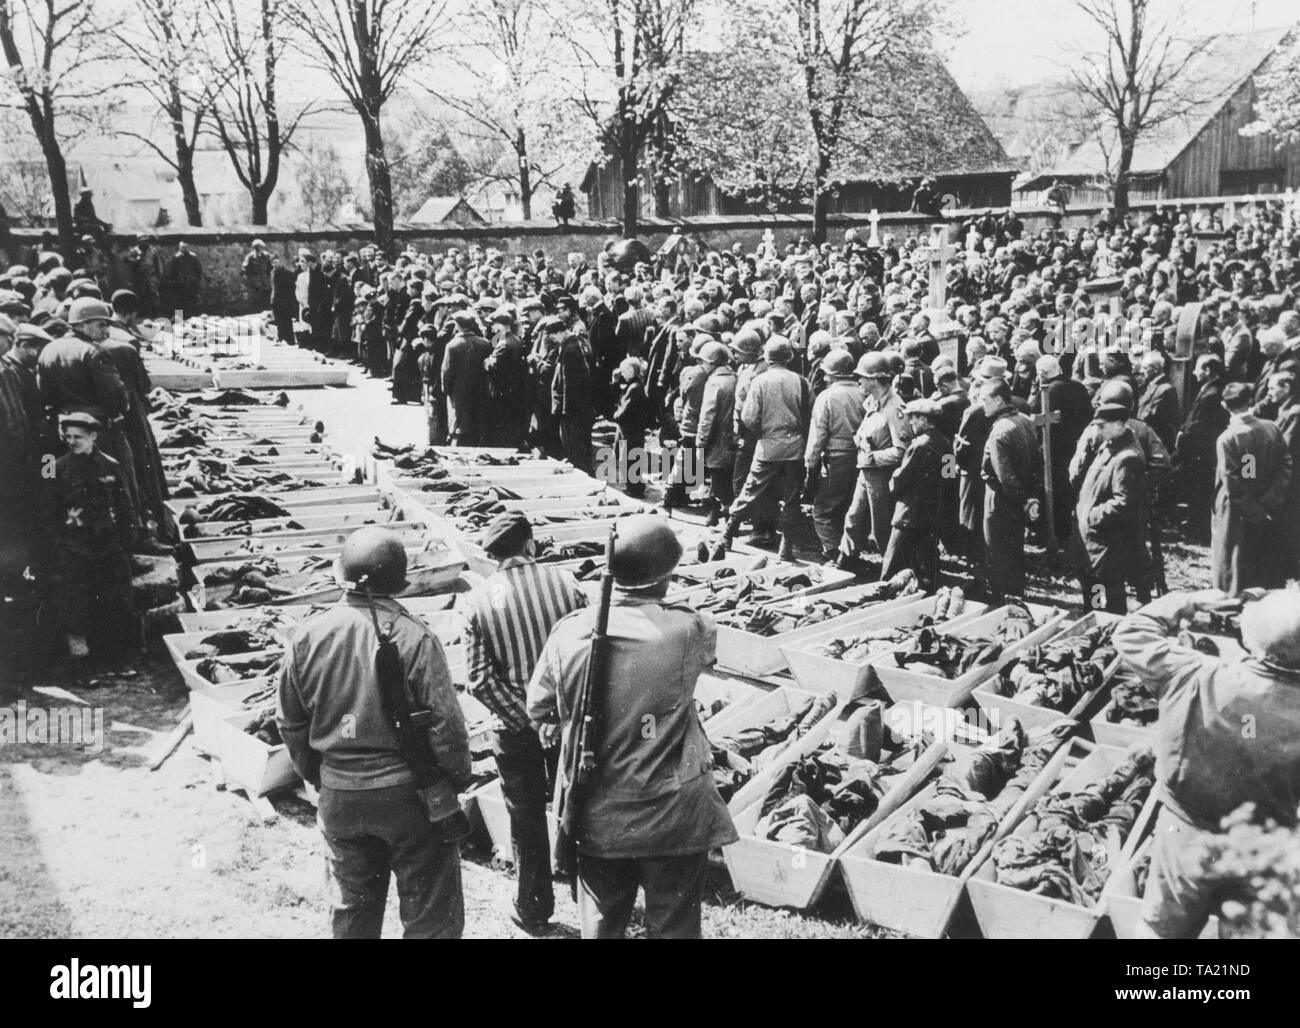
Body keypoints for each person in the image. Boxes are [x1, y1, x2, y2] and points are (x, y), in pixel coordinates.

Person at [526, 516, 738, 939]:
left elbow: (538, 706)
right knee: (674, 926)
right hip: (673, 813)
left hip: (596, 812)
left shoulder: (569, 632)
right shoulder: (689, 628)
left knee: (601, 926)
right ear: (666, 575)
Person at [275, 527, 471, 939]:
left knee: (351, 916)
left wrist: (320, 774)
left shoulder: (307, 636)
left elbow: (290, 722)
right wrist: (452, 781)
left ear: (340, 575)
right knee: (430, 918)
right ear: (397, 582)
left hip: (341, 796)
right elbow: (446, 726)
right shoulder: (414, 636)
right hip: (411, 797)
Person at [1113, 588, 1300, 938]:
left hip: (1184, 834)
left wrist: (1191, 600)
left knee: (1160, 930)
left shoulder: (1194, 675)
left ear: (1251, 642)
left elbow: (1130, 632)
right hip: (1265, 847)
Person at [462, 512, 586, 933]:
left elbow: (478, 680)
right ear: (530, 545)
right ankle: (590, 902)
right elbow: (588, 652)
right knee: (578, 808)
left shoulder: (477, 601)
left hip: (514, 732)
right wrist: (556, 717)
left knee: (526, 817)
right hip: (568, 725)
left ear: (494, 555)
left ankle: (533, 909)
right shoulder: (566, 584)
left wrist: (527, 719)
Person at [38, 411, 138, 681]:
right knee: (76, 606)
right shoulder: (54, 467)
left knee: (115, 602)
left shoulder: (112, 465)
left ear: (94, 436)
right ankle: (82, 664)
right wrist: (58, 549)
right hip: (74, 549)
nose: (72, 441)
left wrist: (125, 543)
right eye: (68, 436)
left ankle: (117, 658)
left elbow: (126, 507)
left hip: (108, 546)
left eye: (78, 437)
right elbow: (47, 514)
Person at [714, 339, 810, 562]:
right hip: (795, 447)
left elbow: (748, 417)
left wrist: (764, 432)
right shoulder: (802, 382)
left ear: (767, 357)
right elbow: (809, 415)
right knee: (791, 498)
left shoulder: (760, 381)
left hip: (767, 446)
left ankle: (727, 534)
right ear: (789, 357)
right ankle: (786, 548)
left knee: (750, 490)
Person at [1211, 382, 1292, 594]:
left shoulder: (1231, 437)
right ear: (1250, 402)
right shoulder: (1271, 427)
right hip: (1268, 508)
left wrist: (1254, 510)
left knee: (1235, 566)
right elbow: (1285, 465)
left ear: (1223, 405)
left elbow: (1237, 482)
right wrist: (1270, 499)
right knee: (1262, 565)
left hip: (1238, 515)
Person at [838, 351, 911, 571]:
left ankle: (895, 567)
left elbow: (902, 451)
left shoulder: (895, 409)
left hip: (882, 476)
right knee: (854, 517)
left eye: (862, 376)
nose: (858, 380)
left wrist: (872, 457)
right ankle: (847, 558)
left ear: (875, 379)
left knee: (881, 526)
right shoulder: (873, 402)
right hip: (867, 472)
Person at [1073, 401, 1148, 613]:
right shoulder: (1110, 446)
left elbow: (1123, 501)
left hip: (1105, 539)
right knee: (1093, 585)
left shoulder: (1127, 458)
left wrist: (1091, 516)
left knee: (1108, 590)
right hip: (1095, 538)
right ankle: (1095, 620)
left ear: (1118, 424)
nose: (1098, 430)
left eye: (1102, 425)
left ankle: (1107, 627)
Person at [979, 377, 1040, 602]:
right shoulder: (1025, 420)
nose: (981, 403)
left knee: (996, 553)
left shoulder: (999, 431)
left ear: (997, 400)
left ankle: (1000, 602)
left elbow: (1005, 476)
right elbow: (1037, 462)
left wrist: (1021, 499)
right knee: (1015, 550)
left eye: (984, 399)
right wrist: (1029, 499)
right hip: (1019, 497)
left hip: (1000, 499)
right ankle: (1016, 597)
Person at [880, 398, 949, 588]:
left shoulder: (919, 446)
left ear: (924, 420)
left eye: (914, 419)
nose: (910, 423)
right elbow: (950, 478)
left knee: (892, 565)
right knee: (926, 566)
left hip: (909, 515)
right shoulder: (945, 444)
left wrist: (892, 486)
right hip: (932, 515)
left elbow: (901, 479)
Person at [805, 350, 864, 562]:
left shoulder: (827, 397)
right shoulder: (862, 392)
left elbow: (818, 434)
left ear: (831, 373)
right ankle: (848, 550)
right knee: (847, 507)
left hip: (835, 459)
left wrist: (810, 463)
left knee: (822, 511)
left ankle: (834, 551)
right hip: (859, 458)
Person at [1173, 355, 1229, 544]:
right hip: (1202, 452)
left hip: (1204, 454)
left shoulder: (1213, 394)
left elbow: (1249, 462)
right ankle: (1196, 530)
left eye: (1198, 369)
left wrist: (1184, 433)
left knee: (1201, 491)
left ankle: (1199, 533)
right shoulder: (1209, 390)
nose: (1195, 373)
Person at [695, 341, 737, 525]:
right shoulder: (736, 378)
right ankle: (721, 516)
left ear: (712, 363)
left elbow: (707, 416)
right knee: (728, 481)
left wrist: (700, 443)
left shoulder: (714, 382)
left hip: (717, 442)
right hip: (733, 442)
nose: (701, 366)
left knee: (718, 484)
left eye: (703, 362)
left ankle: (726, 520)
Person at [441, 310, 492, 446]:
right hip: (480, 390)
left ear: (458, 325)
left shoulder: (452, 345)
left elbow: (447, 371)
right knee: (476, 423)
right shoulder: (485, 343)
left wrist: (446, 389)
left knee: (459, 425)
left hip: (459, 393)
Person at [163, 241, 202, 315]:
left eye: (185, 247)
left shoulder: (193, 257)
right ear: (179, 248)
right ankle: (179, 319)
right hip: (179, 283)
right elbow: (170, 270)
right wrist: (173, 281)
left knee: (191, 301)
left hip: (190, 283)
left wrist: (196, 280)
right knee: (179, 302)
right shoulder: (176, 257)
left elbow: (198, 269)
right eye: (182, 247)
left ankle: (190, 318)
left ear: (188, 248)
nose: (183, 249)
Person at [269, 254, 298, 346]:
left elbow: (290, 287)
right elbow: (273, 287)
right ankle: (281, 338)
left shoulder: (286, 273)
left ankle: (289, 339)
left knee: (286, 320)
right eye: (273, 262)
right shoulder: (272, 272)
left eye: (276, 262)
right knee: (278, 320)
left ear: (280, 261)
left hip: (284, 300)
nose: (275, 264)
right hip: (276, 299)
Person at [241, 239, 273, 311]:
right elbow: (245, 268)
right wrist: (251, 277)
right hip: (256, 281)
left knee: (267, 294)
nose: (260, 249)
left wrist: (269, 275)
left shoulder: (267, 255)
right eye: (258, 247)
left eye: (261, 247)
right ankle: (258, 310)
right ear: (255, 248)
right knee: (257, 296)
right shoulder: (250, 257)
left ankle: (267, 309)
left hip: (266, 280)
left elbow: (271, 266)